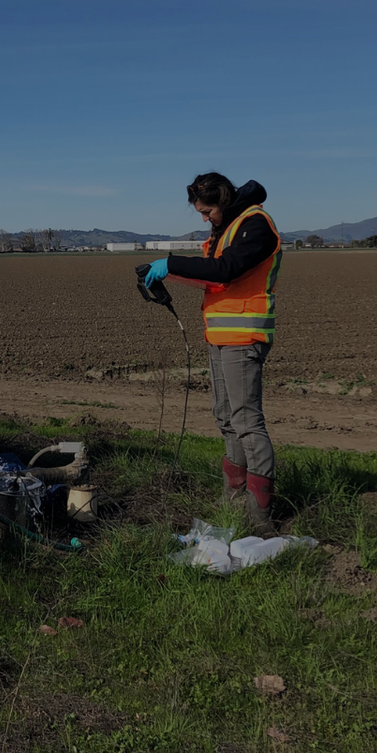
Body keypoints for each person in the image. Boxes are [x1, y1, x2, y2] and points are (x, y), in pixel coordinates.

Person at [144, 173, 283, 529]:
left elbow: (228, 270)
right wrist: (166, 275)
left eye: (207, 211)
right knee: (224, 416)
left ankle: (259, 519)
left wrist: (172, 262)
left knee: (246, 422)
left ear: (222, 201)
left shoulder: (256, 225)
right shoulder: (227, 228)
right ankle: (232, 504)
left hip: (243, 337)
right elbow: (213, 277)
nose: (205, 218)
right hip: (219, 336)